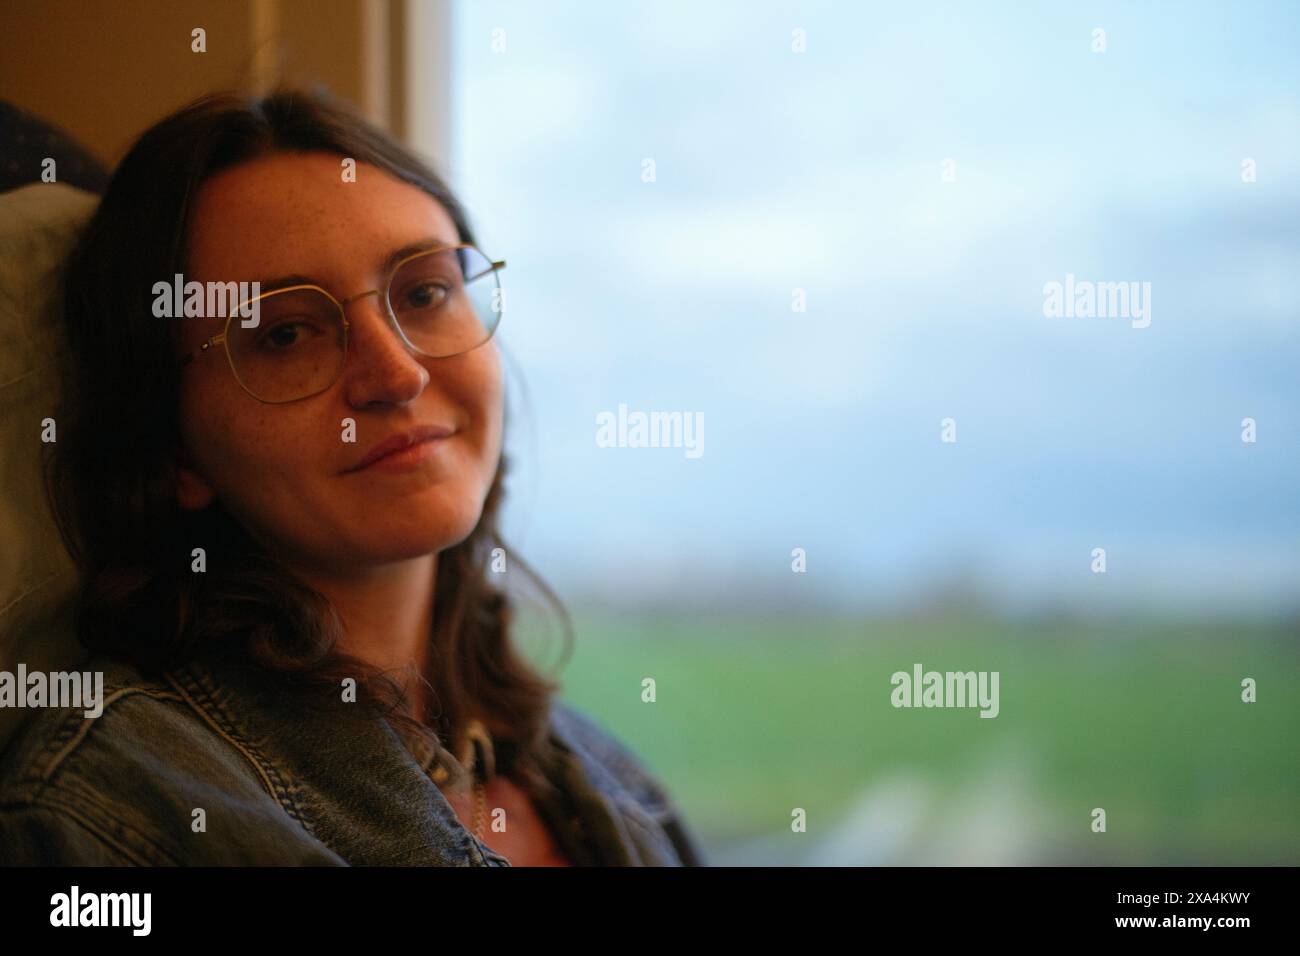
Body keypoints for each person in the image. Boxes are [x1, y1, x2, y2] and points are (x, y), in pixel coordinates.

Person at [0, 87, 705, 867]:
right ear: (175, 453)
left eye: (426, 292)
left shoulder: (605, 777)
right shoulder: (118, 811)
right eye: (287, 333)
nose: (396, 373)